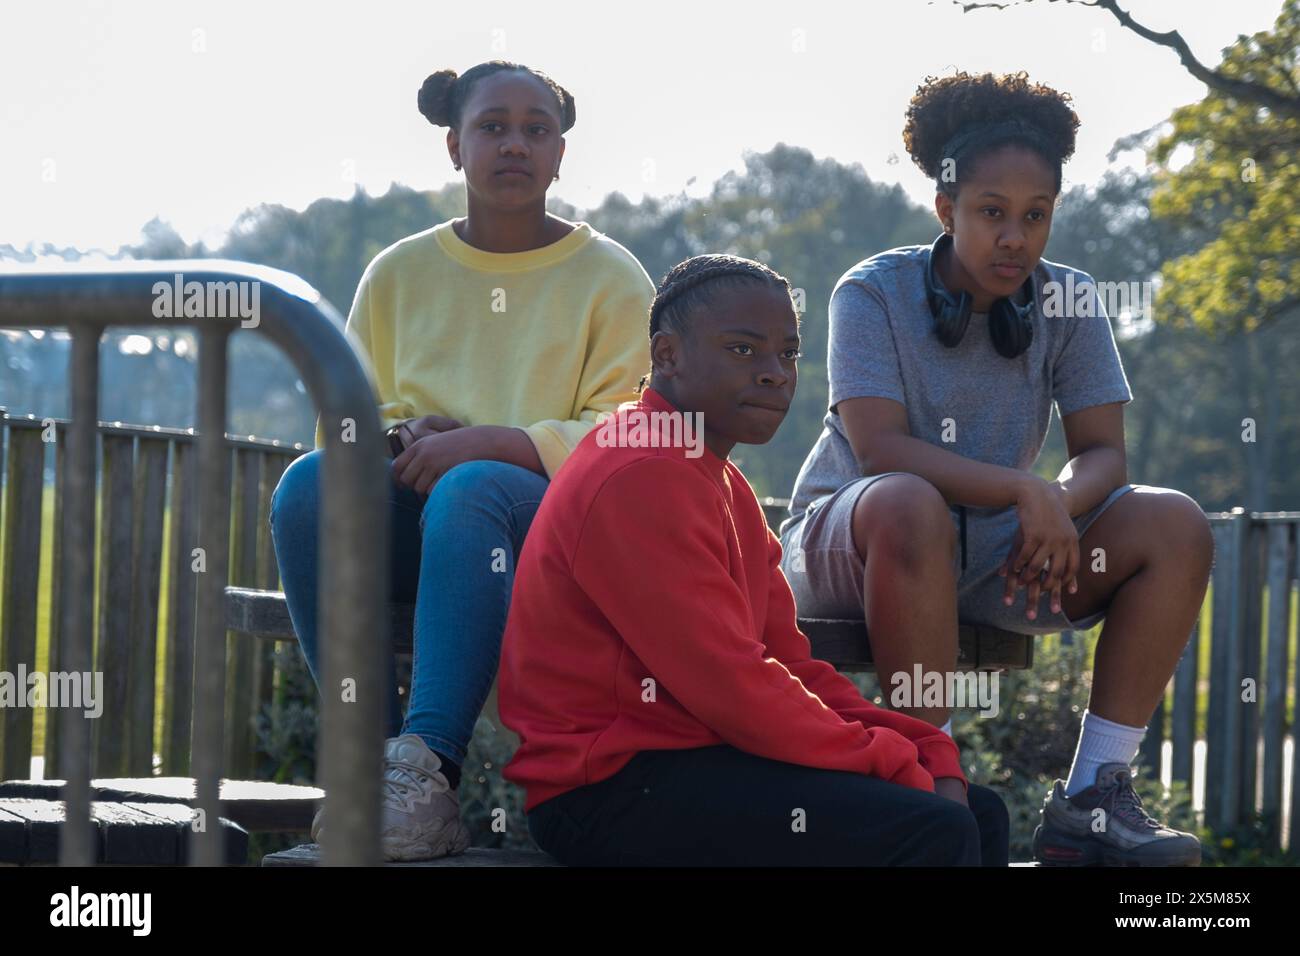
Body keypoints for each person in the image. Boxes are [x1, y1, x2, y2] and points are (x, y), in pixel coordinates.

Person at [779, 72, 1211, 866]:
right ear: (946, 210)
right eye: (991, 213)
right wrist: (1027, 489)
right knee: (909, 501)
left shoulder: (1071, 300)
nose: (1016, 238)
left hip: (992, 553)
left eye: (1035, 216)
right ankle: (930, 778)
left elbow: (1105, 453)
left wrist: (1054, 502)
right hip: (857, 539)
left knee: (1174, 521)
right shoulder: (869, 293)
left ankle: (1092, 797)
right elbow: (880, 451)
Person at [498, 254, 1011, 866]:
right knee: (933, 830)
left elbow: (791, 666)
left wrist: (926, 749)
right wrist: (897, 765)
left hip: (698, 757)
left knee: (978, 814)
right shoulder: (638, 471)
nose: (775, 374)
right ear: (667, 356)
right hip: (609, 788)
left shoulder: (719, 480)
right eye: (743, 351)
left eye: (788, 354)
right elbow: (734, 687)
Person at [268, 60, 654, 861]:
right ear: (454, 146)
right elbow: (344, 420)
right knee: (309, 485)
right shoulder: (398, 272)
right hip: (427, 529)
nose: (515, 144)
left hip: (554, 541)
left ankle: (429, 770)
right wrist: (402, 436)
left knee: (474, 485)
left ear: (560, 154)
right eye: (492, 126)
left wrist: (489, 441)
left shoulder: (611, 278)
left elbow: (629, 434)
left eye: (536, 129)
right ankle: (375, 768)